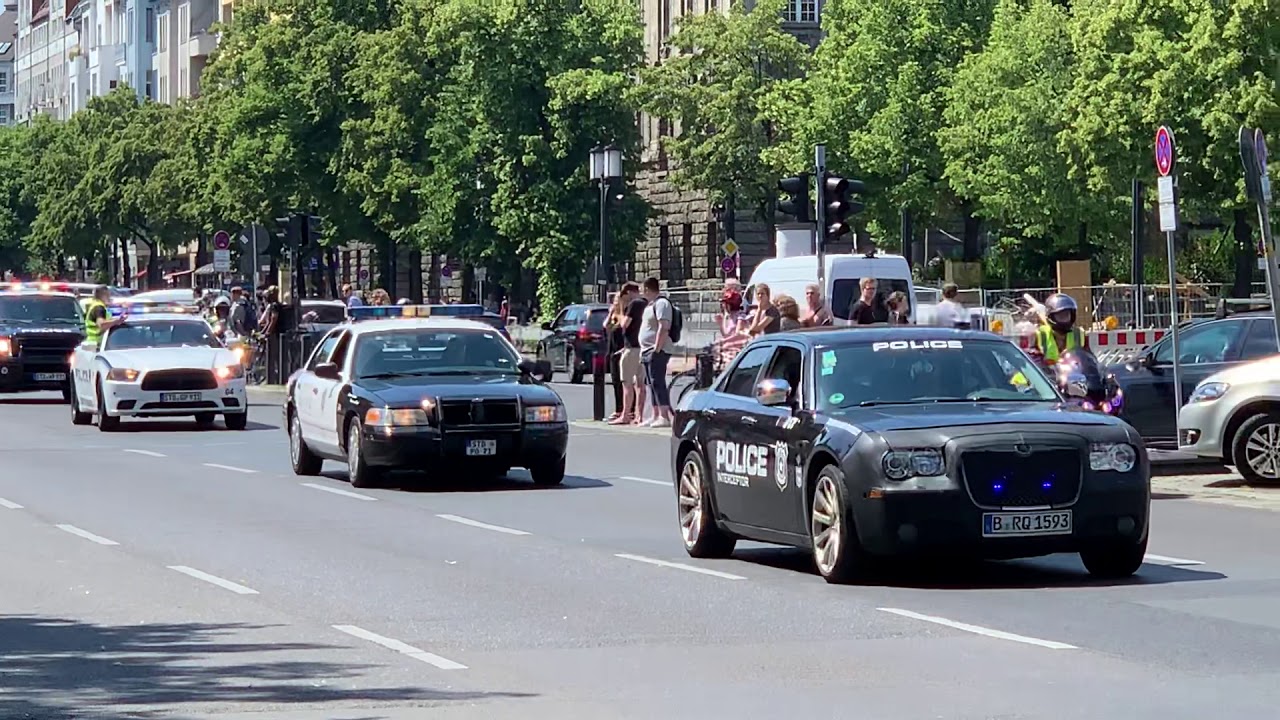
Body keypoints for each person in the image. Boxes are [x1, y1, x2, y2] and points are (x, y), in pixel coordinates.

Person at [638, 277, 674, 428]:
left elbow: (663, 326)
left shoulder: (662, 304)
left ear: (647, 289)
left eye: (642, 289)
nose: (641, 292)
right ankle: (655, 415)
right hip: (647, 350)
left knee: (657, 381)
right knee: (651, 383)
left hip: (657, 350)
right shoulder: (650, 305)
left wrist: (657, 349)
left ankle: (664, 416)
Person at [616, 282, 649, 425]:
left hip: (631, 348)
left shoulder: (634, 304)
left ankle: (625, 415)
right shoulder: (647, 303)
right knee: (640, 384)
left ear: (628, 292)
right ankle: (639, 415)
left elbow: (624, 324)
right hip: (643, 347)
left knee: (627, 384)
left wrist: (620, 312)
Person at [1031, 293, 1087, 367]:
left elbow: (1088, 360)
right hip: (1046, 376)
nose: (1065, 319)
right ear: (1051, 317)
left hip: (1073, 376)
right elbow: (1032, 361)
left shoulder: (1079, 335)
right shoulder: (1040, 334)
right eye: (1060, 316)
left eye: (1067, 315)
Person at [604, 289, 628, 422]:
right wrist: (610, 313)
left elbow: (625, 328)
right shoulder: (613, 315)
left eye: (618, 300)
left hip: (622, 349)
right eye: (614, 300)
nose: (616, 302)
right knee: (615, 381)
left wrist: (621, 312)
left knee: (625, 381)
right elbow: (605, 326)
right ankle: (618, 408)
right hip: (612, 350)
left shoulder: (625, 315)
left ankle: (627, 410)